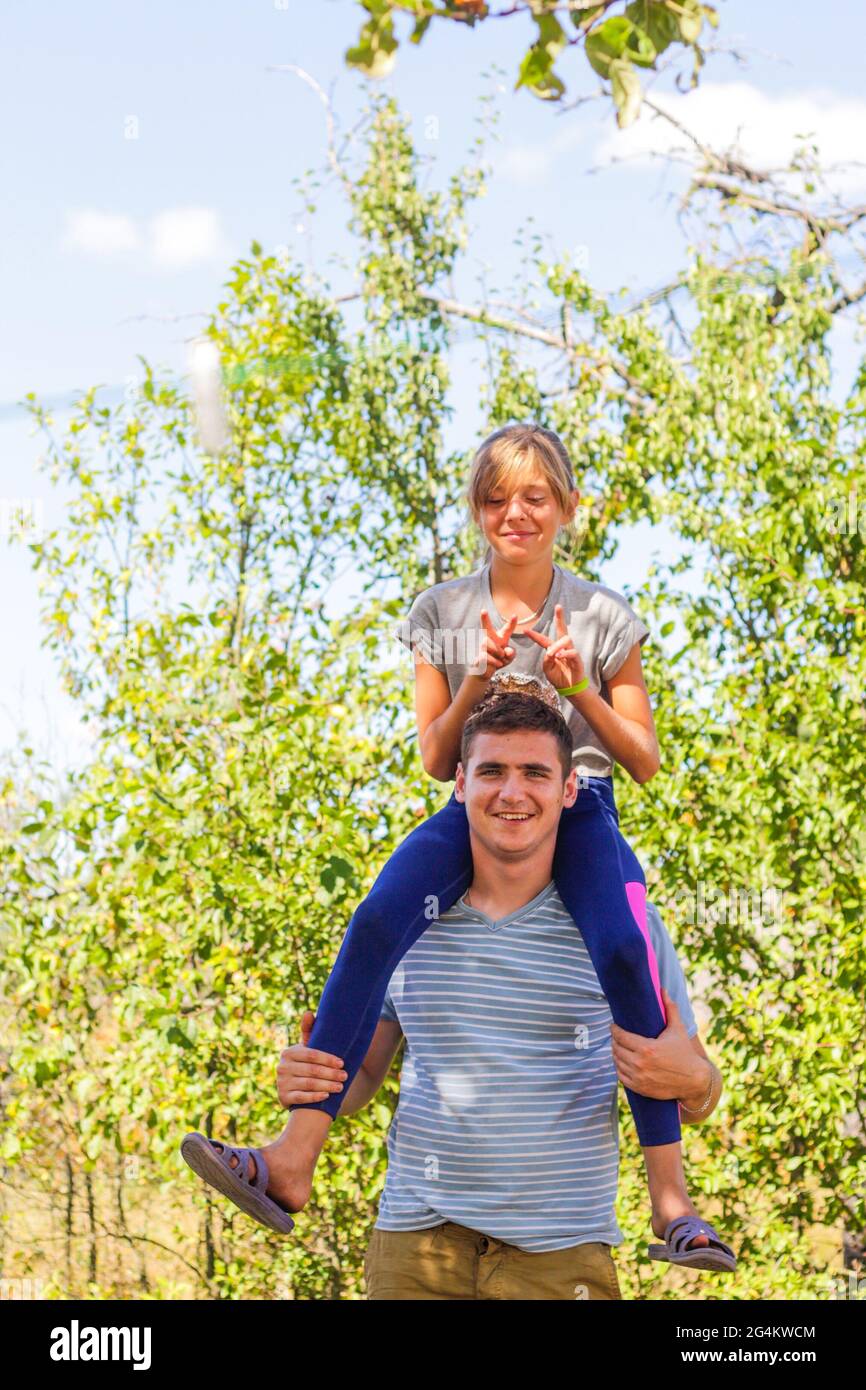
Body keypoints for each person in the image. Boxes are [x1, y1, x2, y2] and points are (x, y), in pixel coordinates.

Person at [181, 422, 734, 1271]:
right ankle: (292, 1160)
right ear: (479, 511)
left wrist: (576, 686)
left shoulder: (601, 615)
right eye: (496, 498)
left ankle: (672, 1205)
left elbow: (646, 759)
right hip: (473, 804)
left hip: (578, 806)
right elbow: (439, 757)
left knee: (625, 948)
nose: (516, 513)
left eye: (535, 497)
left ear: (568, 508)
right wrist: (478, 673)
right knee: (375, 920)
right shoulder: (440, 611)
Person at [278, 685, 735, 1298]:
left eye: (535, 773)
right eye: (492, 771)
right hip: (415, 1251)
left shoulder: (626, 929)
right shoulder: (410, 916)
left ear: (569, 790)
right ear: (461, 782)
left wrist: (696, 1082)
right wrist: (313, 1077)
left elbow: (695, 1090)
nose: (512, 792)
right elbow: (363, 1084)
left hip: (561, 1259)